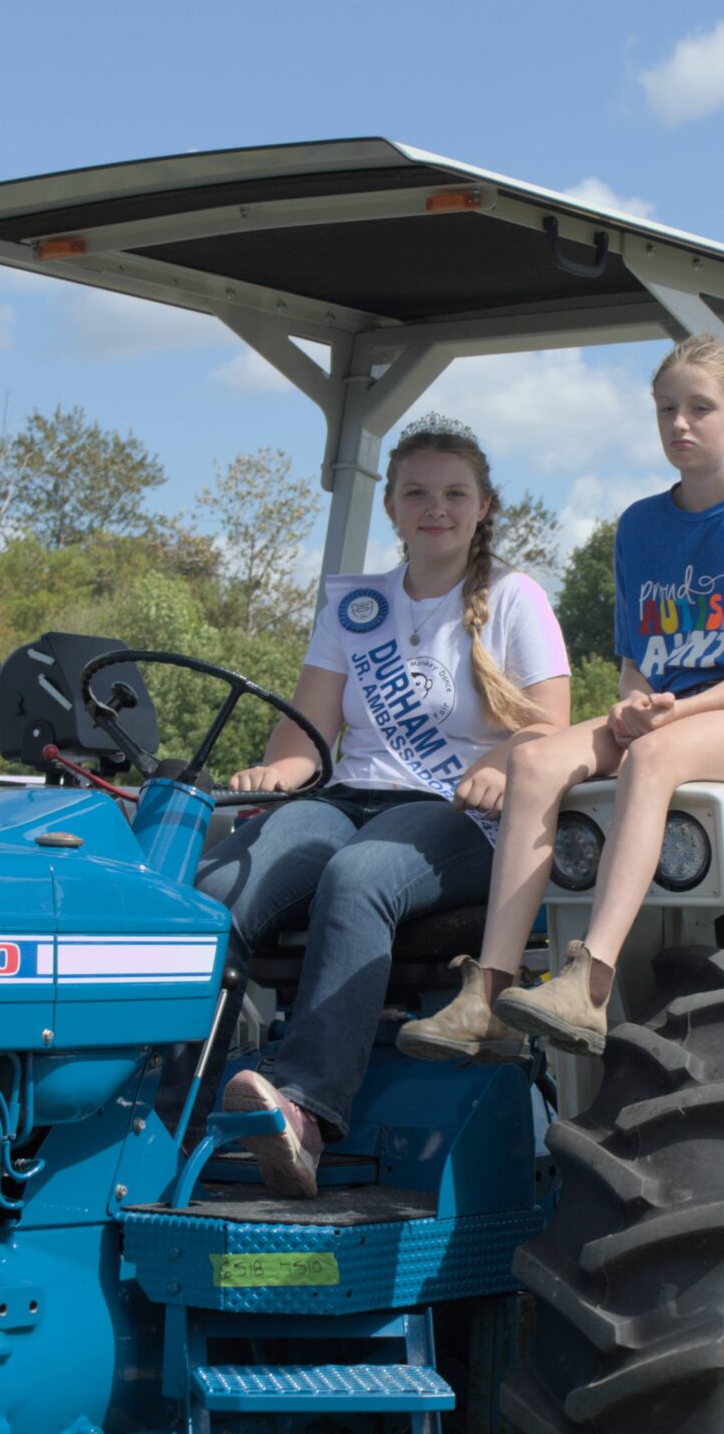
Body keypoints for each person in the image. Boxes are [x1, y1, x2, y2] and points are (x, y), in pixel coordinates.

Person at [400, 334, 724, 1062]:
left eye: (700, 409)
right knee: (535, 761)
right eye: (666, 409)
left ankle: (590, 983)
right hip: (671, 709)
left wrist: (666, 716)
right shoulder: (640, 524)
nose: (680, 425)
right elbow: (637, 667)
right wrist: (631, 706)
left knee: (655, 755)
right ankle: (488, 993)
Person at [199, 418, 570, 1195]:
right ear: (393, 510)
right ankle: (170, 1097)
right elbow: (305, 745)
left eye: (453, 494)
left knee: (362, 874)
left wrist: (502, 762)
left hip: (458, 814)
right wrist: (272, 776)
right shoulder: (354, 606)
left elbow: (551, 729)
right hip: (345, 795)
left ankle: (304, 1111)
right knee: (222, 884)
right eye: (416, 494)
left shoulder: (514, 599)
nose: (435, 508)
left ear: (483, 506)